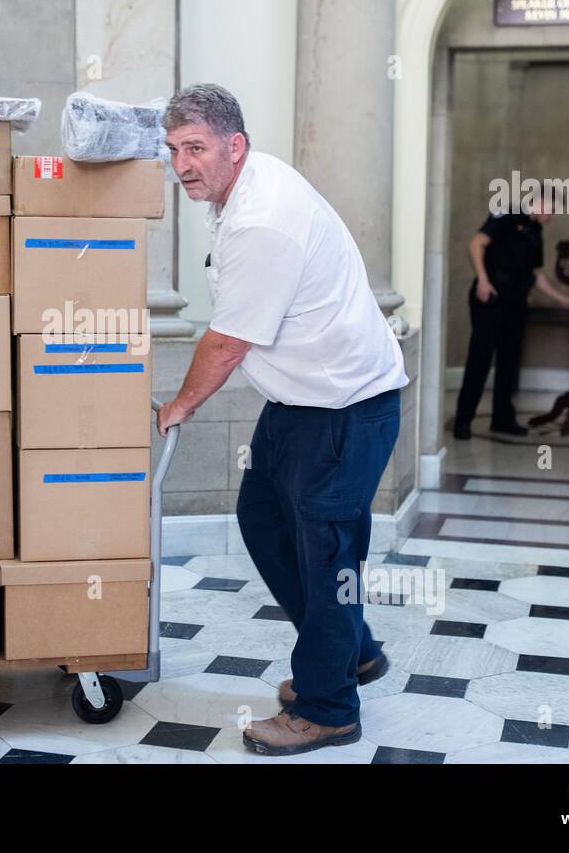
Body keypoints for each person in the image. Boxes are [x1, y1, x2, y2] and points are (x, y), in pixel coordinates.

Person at [156, 84, 408, 755]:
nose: (183, 164)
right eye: (174, 149)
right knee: (263, 517)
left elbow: (228, 341)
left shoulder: (262, 217)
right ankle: (351, 652)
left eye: (197, 148)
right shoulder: (243, 187)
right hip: (303, 402)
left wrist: (177, 406)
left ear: (233, 145)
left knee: (325, 555)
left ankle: (328, 707)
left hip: (344, 408)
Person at [452, 187, 569, 439]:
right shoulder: (507, 213)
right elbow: (476, 244)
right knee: (481, 358)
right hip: (491, 296)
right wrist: (483, 281)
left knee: (509, 361)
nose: (551, 216)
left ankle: (502, 419)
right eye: (551, 210)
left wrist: (563, 299)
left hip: (515, 301)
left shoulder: (535, 229)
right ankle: (463, 421)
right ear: (540, 202)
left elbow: (534, 274)